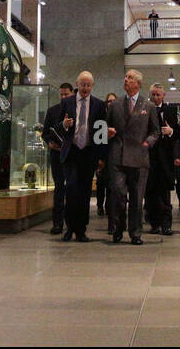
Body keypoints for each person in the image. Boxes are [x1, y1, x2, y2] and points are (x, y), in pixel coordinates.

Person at [105, 69, 160, 244]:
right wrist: (107, 132)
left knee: (137, 198)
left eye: (130, 78)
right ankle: (117, 228)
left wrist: (147, 143)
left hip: (139, 158)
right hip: (118, 156)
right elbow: (104, 127)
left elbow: (155, 132)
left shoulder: (148, 106)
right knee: (118, 195)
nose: (126, 80)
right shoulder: (115, 105)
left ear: (138, 84)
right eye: (126, 77)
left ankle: (135, 233)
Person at [59, 71, 107, 242]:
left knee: (85, 192)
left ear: (92, 86)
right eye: (82, 84)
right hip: (71, 152)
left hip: (88, 153)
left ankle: (81, 229)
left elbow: (101, 132)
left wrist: (101, 157)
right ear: (77, 84)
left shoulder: (99, 105)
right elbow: (57, 126)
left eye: (88, 85)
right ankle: (69, 226)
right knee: (71, 189)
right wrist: (64, 125)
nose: (85, 88)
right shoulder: (66, 102)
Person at [144, 83, 179, 236]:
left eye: (158, 94)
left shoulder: (170, 111)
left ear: (163, 95)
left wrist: (171, 132)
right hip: (149, 157)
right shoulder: (144, 110)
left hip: (165, 158)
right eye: (153, 94)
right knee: (150, 192)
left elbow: (178, 134)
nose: (155, 97)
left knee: (164, 194)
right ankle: (153, 223)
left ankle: (166, 224)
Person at [42, 82, 74, 235]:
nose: (63, 97)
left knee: (72, 188)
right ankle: (57, 223)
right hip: (57, 154)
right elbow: (45, 133)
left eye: (66, 94)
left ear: (72, 94)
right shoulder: (52, 111)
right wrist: (50, 143)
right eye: (61, 94)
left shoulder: (76, 110)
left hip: (72, 155)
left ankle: (72, 222)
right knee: (59, 188)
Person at [97, 91, 117, 224]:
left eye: (113, 101)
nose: (111, 103)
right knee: (101, 184)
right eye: (109, 101)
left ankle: (112, 220)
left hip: (115, 158)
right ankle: (100, 205)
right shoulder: (101, 119)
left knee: (112, 188)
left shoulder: (119, 117)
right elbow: (98, 140)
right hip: (103, 158)